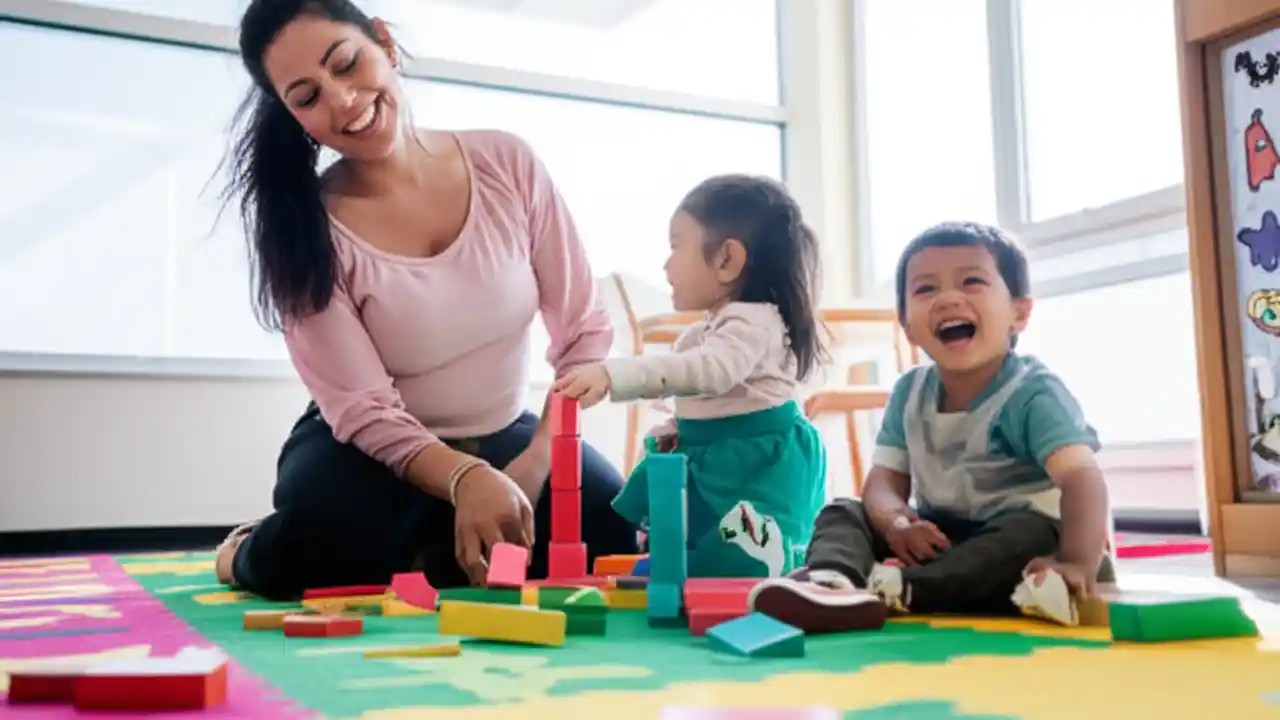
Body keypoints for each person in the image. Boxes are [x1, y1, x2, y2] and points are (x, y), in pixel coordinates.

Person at [211, 0, 638, 600]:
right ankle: (245, 551)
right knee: (315, 551)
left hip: (507, 434)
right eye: (307, 98)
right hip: (368, 449)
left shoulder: (506, 162)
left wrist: (540, 458)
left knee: (610, 533)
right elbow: (361, 409)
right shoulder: (304, 226)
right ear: (292, 116)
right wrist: (465, 478)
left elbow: (584, 332)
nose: (342, 101)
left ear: (383, 43)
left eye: (346, 64)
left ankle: (429, 546)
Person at [749, 221, 1115, 630]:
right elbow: (884, 483)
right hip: (946, 537)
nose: (947, 299)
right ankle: (832, 582)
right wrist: (898, 522)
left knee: (1029, 532)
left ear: (1019, 312)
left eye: (971, 282)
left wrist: (1076, 561)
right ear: (906, 325)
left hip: (1024, 540)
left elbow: (1083, 479)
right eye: (926, 289)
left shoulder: (1031, 392)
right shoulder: (910, 391)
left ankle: (903, 590)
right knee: (845, 511)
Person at [555, 175, 828, 579]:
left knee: (744, 560)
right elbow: (714, 396)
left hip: (755, 462)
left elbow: (710, 373)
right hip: (719, 453)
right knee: (695, 548)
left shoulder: (753, 320)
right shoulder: (712, 326)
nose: (666, 263)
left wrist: (615, 375)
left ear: (726, 259)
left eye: (676, 245)